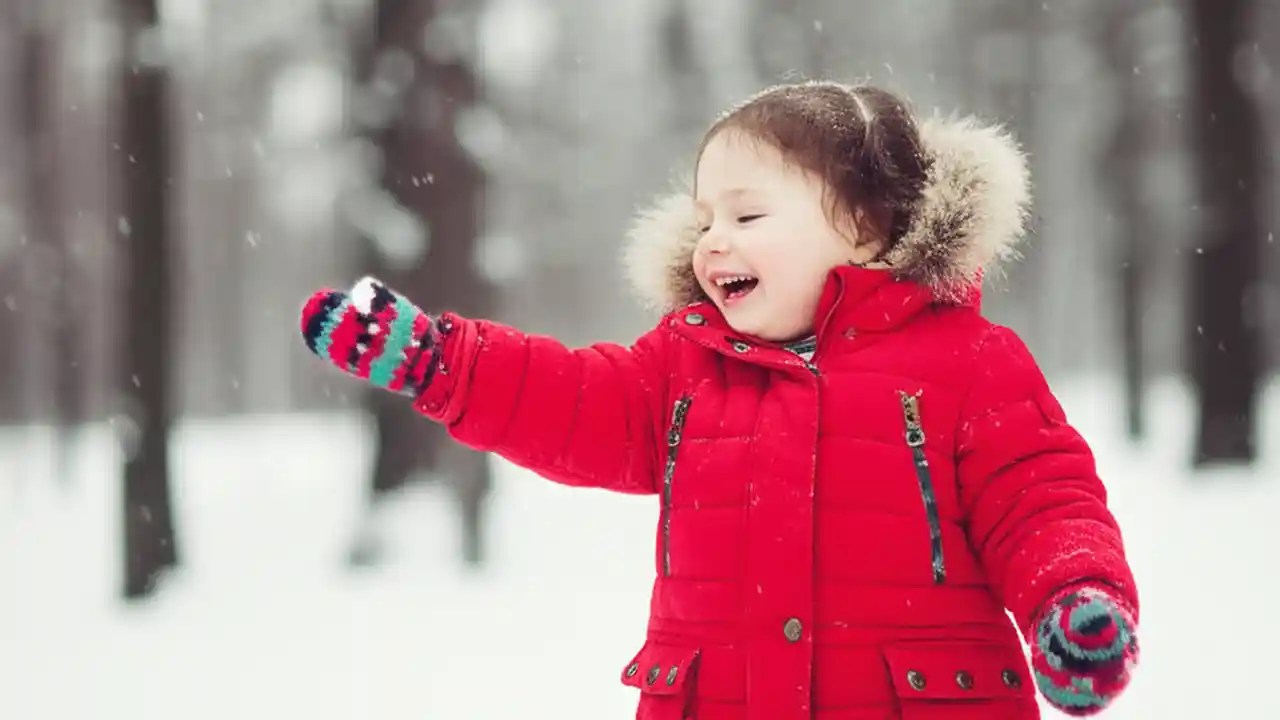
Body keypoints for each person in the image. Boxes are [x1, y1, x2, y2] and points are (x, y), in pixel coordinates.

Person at [299, 81, 1139, 719]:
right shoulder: (684, 368)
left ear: (864, 224)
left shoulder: (969, 363)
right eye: (704, 221)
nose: (715, 242)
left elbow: (1040, 500)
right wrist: (440, 363)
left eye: (746, 214)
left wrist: (1074, 597)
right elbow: (571, 400)